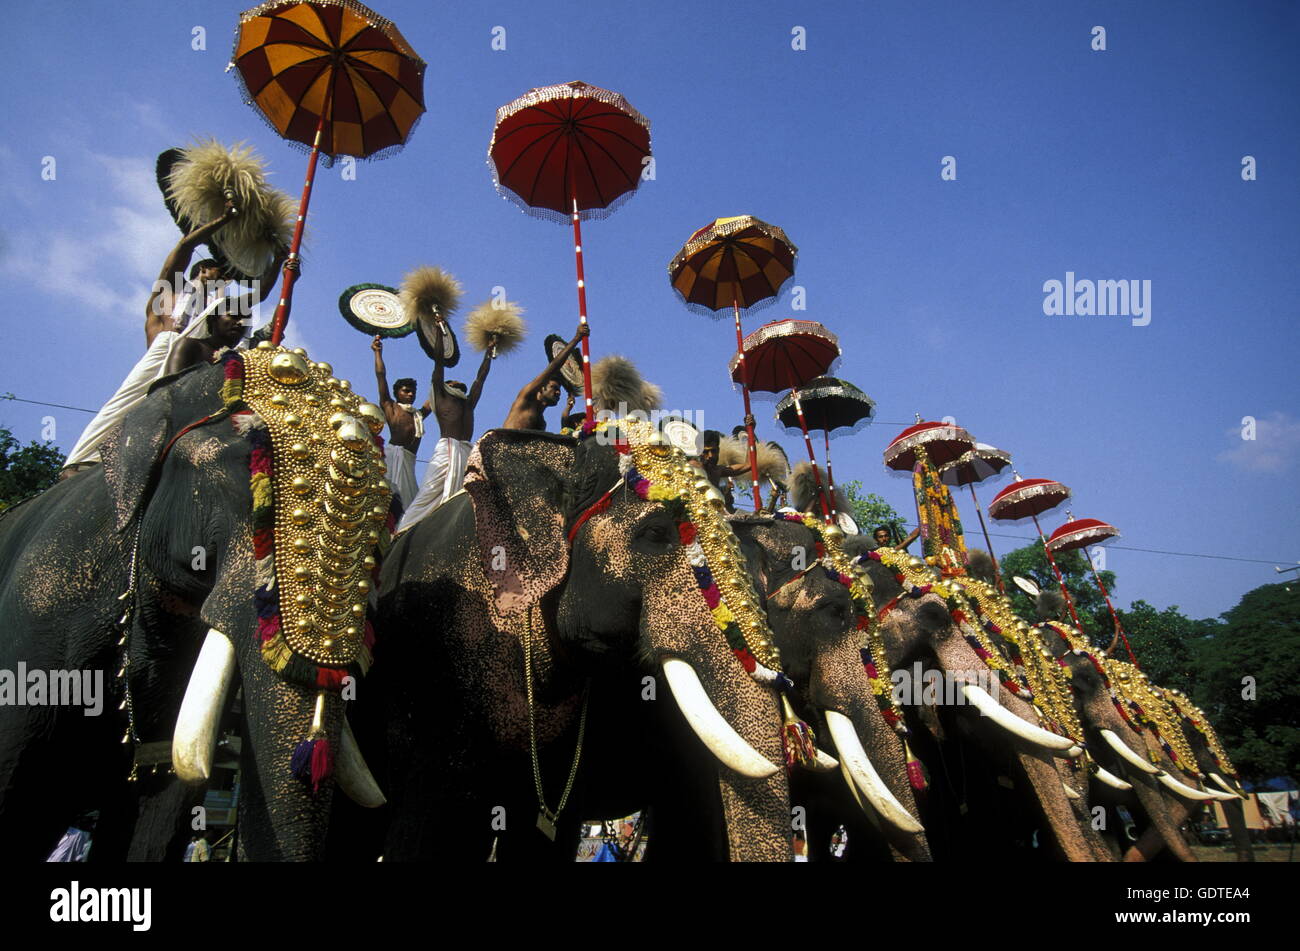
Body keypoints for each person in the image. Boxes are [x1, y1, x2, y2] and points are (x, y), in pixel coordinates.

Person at [61, 200, 287, 475]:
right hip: (166, 350)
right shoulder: (169, 302)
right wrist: (223, 219)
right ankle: (80, 460)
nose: (226, 278)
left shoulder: (221, 312)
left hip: (200, 365)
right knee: (125, 404)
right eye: (220, 272)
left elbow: (259, 295)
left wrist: (280, 261)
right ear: (202, 270)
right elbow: (183, 249)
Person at [395, 321, 495, 532]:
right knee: (427, 495)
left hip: (466, 453)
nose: (459, 385)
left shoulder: (468, 403)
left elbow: (481, 378)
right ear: (446, 387)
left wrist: (489, 351)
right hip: (446, 450)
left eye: (461, 386)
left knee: (460, 501)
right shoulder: (441, 397)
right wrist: (440, 333)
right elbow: (438, 363)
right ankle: (401, 533)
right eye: (454, 384)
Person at [371, 336, 431, 511]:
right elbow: (381, 376)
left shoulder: (418, 415)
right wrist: (377, 352)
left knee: (408, 508)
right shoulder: (391, 407)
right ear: (397, 393)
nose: (411, 394)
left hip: (409, 463)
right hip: (392, 459)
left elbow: (435, 395)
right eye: (406, 391)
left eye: (413, 392)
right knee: (387, 501)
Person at [501, 323, 587, 431]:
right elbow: (554, 366)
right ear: (541, 388)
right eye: (554, 388)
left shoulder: (541, 423)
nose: (558, 393)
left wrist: (567, 410)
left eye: (559, 390)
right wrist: (576, 338)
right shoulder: (526, 397)